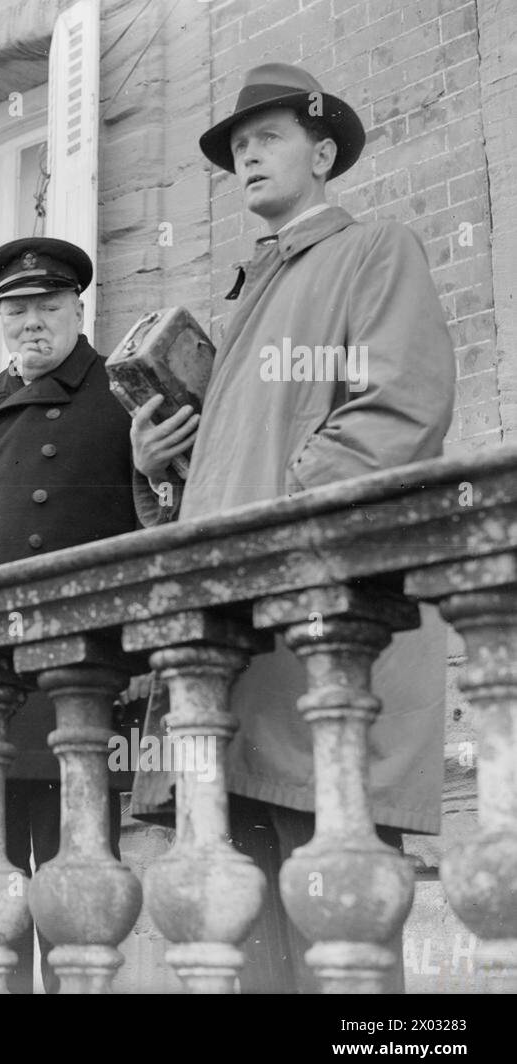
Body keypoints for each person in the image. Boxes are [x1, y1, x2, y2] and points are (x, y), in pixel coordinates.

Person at [130, 62, 456, 992]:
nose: (246, 157)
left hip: (322, 653)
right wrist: (166, 472)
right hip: (238, 661)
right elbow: (234, 473)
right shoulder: (241, 306)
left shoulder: (374, 248)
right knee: (253, 947)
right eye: (237, 149)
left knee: (342, 950)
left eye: (265, 138)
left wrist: (263, 520)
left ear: (322, 153)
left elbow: (398, 413)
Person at [0, 237, 139, 993]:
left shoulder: (121, 392)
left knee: (77, 902)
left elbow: (153, 526)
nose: (31, 323)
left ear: (78, 307)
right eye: (16, 310)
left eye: (47, 306)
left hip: (79, 682)